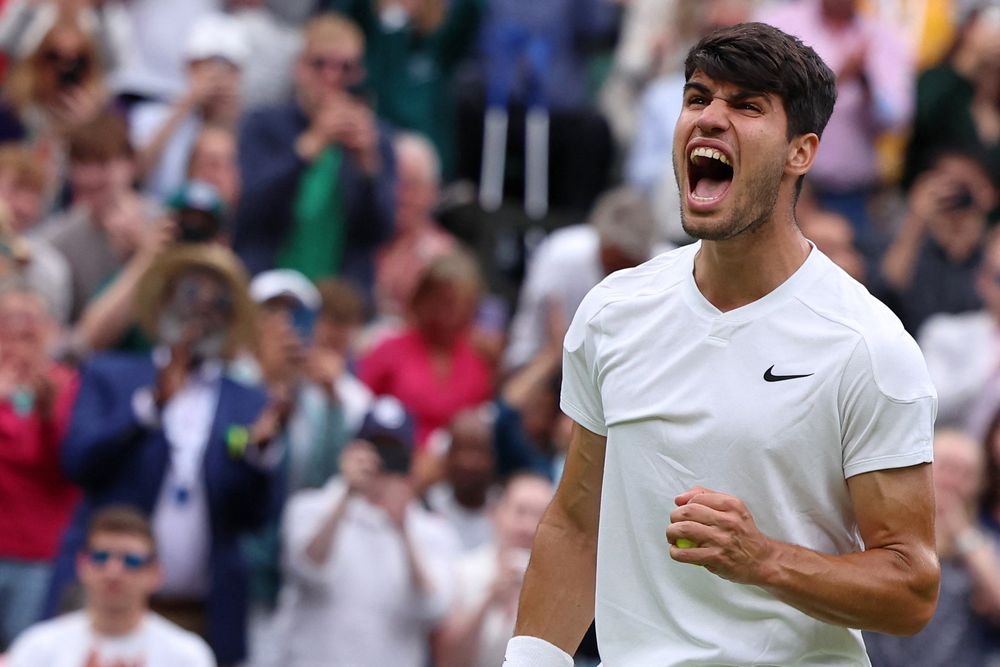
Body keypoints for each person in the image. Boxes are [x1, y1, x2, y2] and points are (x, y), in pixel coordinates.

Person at [505, 23, 939, 666]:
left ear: (802, 152)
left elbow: (911, 588)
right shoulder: (613, 312)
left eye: (745, 106)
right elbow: (576, 521)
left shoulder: (869, 346)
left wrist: (764, 560)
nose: (710, 118)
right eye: (698, 97)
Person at [45, 243, 284, 666]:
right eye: (191, 295)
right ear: (164, 300)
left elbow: (255, 517)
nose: (201, 312)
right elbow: (77, 462)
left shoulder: (246, 399)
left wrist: (260, 455)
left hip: (198, 610)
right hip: (106, 600)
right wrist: (149, 408)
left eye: (217, 303)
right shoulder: (111, 374)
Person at [277, 396, 460, 667]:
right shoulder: (309, 507)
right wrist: (348, 495)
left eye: (393, 453)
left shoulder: (432, 531)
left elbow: (436, 608)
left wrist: (404, 529)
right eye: (375, 450)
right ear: (352, 451)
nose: (382, 465)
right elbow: (305, 568)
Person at [233, 12, 395, 299]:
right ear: (298, 67)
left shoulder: (376, 139)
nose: (331, 77)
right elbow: (248, 212)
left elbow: (381, 233)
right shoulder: (262, 126)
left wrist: (368, 168)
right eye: (319, 64)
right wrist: (307, 149)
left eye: (345, 68)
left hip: (339, 305)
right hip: (265, 291)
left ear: (359, 75)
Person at [7, 506, 215, 667]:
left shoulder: (187, 655)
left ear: (155, 573)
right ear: (82, 565)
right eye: (101, 557)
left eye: (131, 560)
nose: (114, 572)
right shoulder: (37, 647)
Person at [864, 429, 1000, 667]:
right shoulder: (883, 524)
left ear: (979, 484)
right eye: (946, 467)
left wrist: (963, 536)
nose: (952, 481)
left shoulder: (984, 542)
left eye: (965, 473)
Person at [502, 185, 657, 372]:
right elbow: (540, 337)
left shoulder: (668, 266)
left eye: (627, 263)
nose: (617, 272)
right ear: (599, 238)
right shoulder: (561, 254)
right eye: (613, 260)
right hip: (549, 369)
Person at [0, 284, 79, 650]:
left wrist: (46, 416)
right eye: (7, 323)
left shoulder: (66, 384)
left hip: (38, 555)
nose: (18, 334)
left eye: (29, 325)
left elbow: (63, 465)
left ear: (50, 330)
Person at [437, 472, 554, 667]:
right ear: (497, 512)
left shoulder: (556, 585)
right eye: (520, 512)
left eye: (539, 516)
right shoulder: (464, 570)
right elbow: (447, 658)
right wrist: (489, 599)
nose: (527, 527)